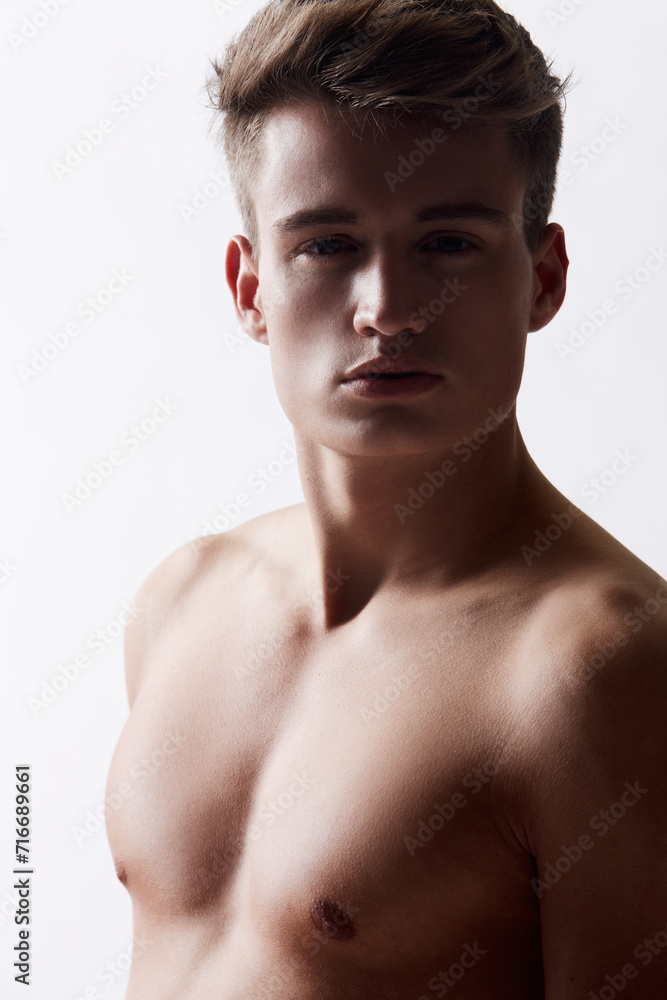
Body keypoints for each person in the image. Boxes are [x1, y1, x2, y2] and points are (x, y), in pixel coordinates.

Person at [105, 1, 667, 996]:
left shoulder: (598, 670)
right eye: (326, 245)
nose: (389, 310)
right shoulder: (181, 603)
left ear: (542, 279)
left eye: (447, 243)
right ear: (248, 288)